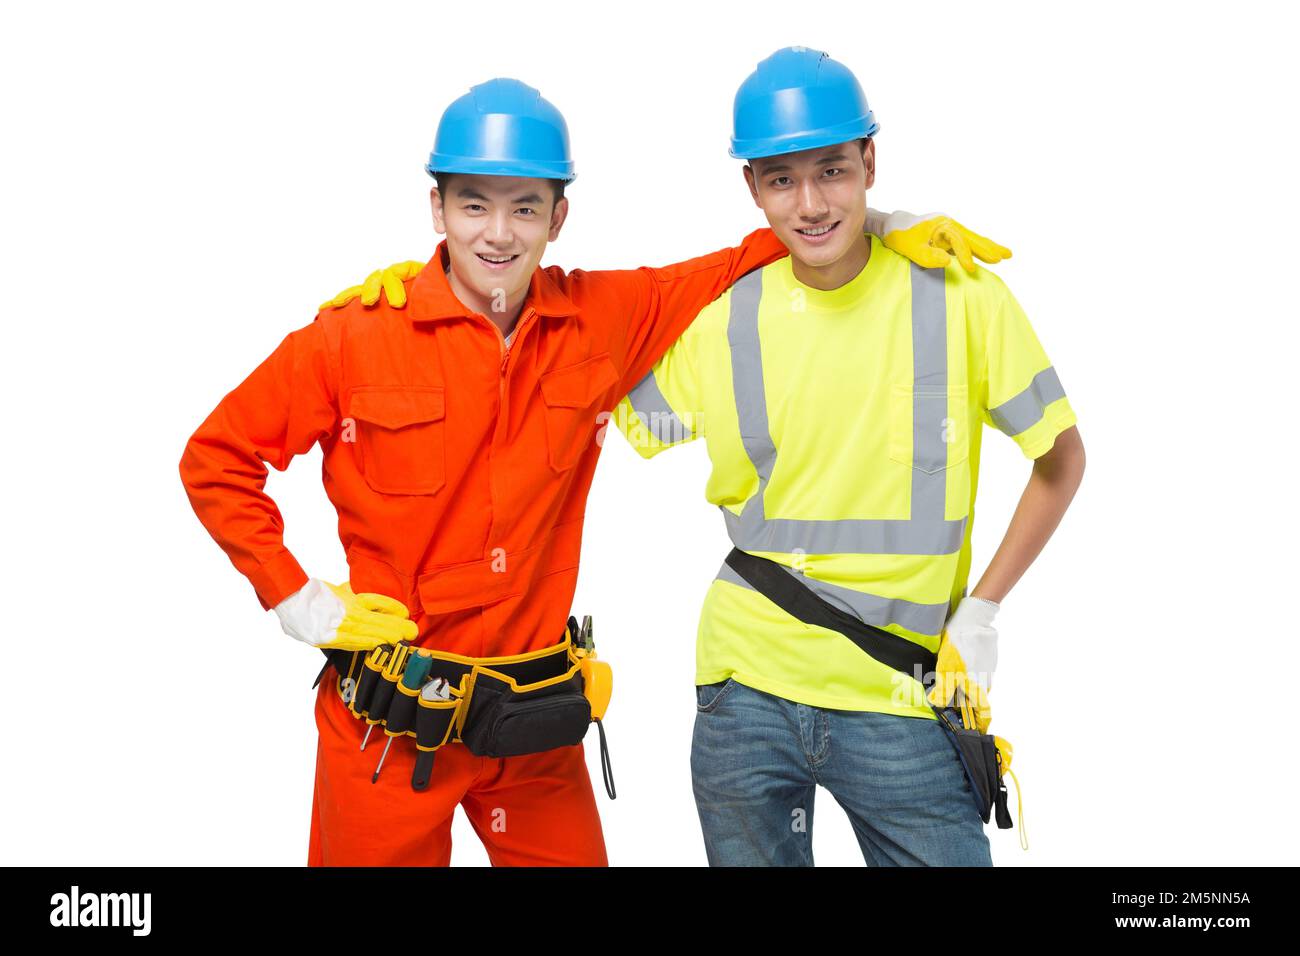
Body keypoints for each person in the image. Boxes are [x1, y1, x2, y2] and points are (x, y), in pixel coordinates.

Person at [183, 74, 1006, 867]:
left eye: (524, 207)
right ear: (435, 207)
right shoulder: (354, 338)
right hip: (389, 734)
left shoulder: (599, 319)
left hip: (534, 733)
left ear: (559, 216)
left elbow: (745, 259)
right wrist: (299, 602)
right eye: (473, 204)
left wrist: (885, 224)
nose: (497, 233)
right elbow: (216, 459)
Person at [605, 47, 1086, 866]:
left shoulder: (961, 295)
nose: (812, 202)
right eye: (782, 180)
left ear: (870, 161)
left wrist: (982, 612)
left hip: (900, 691)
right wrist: (466, 289)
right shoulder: (728, 317)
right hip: (744, 687)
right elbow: (610, 409)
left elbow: (1062, 460)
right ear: (752, 189)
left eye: (832, 170)